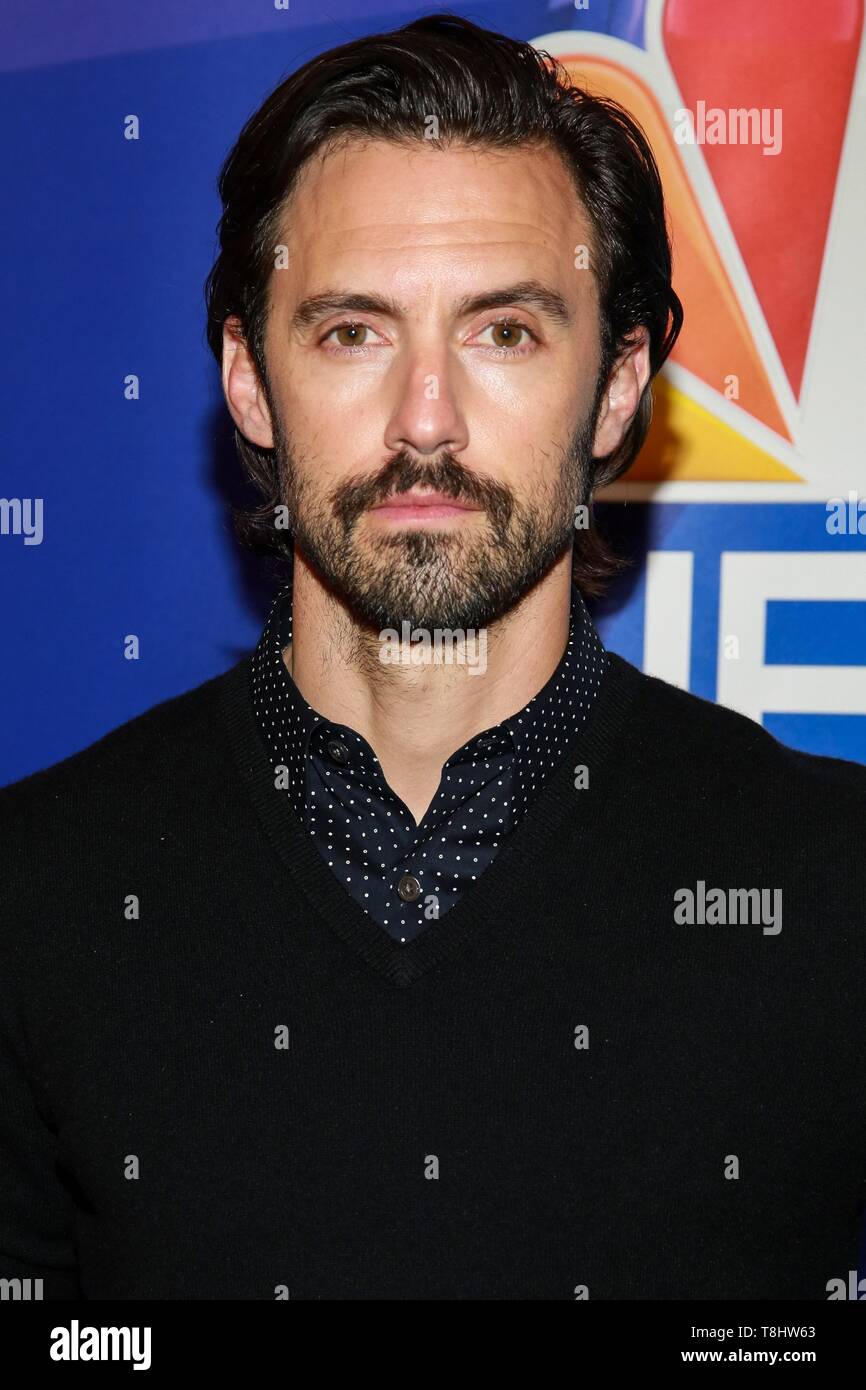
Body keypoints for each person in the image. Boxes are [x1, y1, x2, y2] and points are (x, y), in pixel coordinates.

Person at [1, 13, 863, 1301]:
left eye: (502, 331)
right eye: (353, 331)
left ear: (619, 387)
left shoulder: (829, 884)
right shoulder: (42, 893)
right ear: (248, 381)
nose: (425, 419)